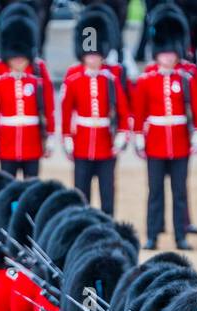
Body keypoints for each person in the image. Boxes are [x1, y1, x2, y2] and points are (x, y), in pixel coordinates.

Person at [131, 6, 197, 250]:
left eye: (173, 54)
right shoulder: (147, 80)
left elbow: (196, 109)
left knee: (180, 193)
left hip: (179, 142)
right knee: (155, 193)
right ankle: (152, 234)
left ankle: (181, 235)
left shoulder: (185, 78)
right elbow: (139, 111)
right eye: (165, 54)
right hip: (156, 143)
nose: (169, 58)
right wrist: (138, 135)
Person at [61, 6, 129, 215]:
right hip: (82, 142)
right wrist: (67, 137)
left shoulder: (111, 80)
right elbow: (66, 111)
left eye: (97, 55)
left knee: (107, 191)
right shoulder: (74, 81)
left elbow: (123, 111)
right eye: (89, 55)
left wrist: (121, 135)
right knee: (81, 192)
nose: (92, 59)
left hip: (105, 143)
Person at [0, 16, 54, 177]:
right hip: (7, 140)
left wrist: (49, 134)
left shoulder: (37, 71)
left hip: (32, 140)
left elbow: (47, 103)